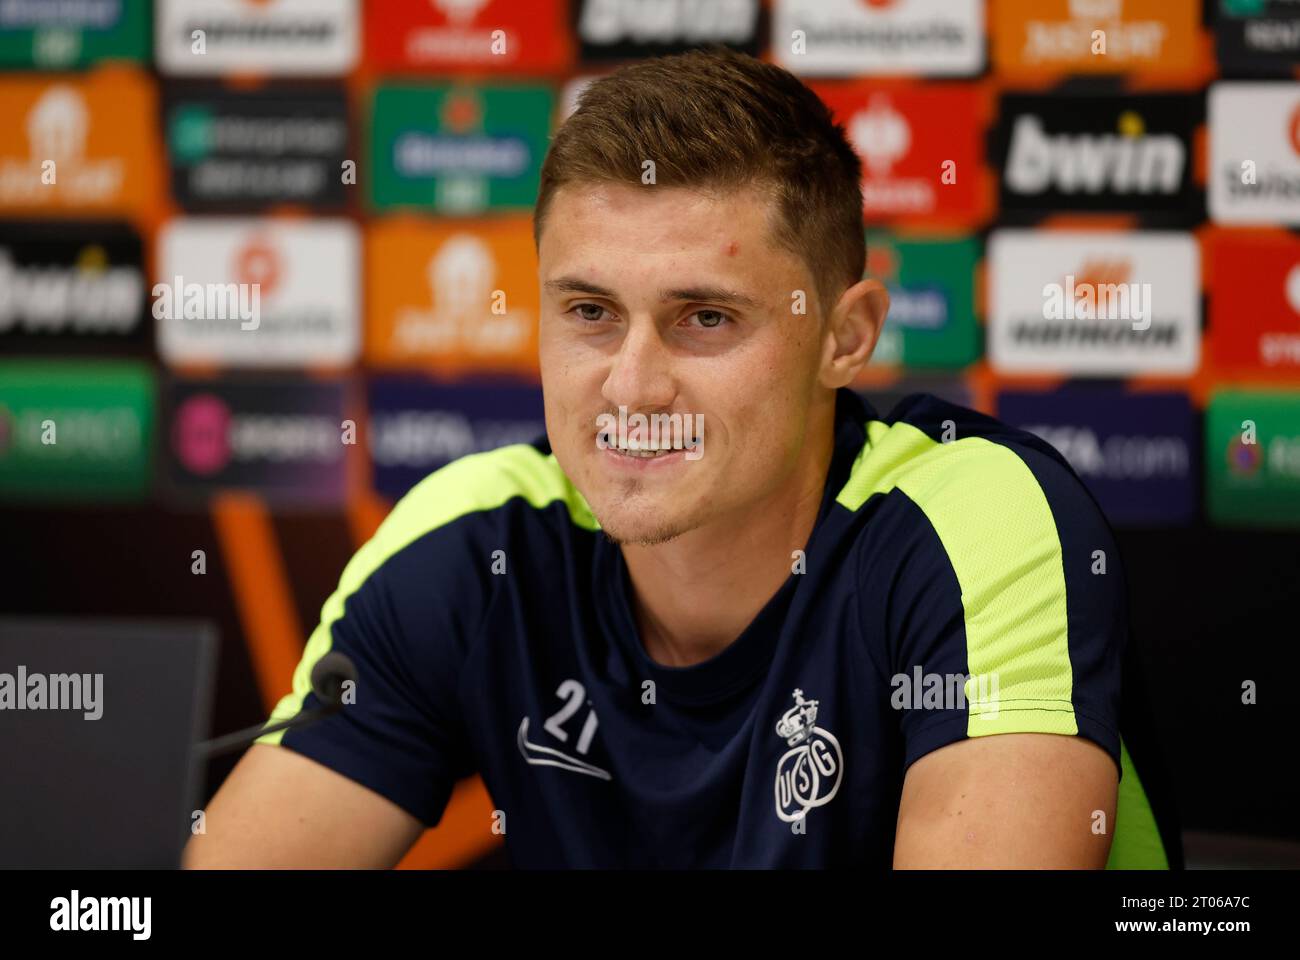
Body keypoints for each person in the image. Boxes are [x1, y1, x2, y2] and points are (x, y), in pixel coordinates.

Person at [184, 47, 1177, 869]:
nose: (630, 385)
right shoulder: (473, 540)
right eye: (588, 313)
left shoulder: (972, 520)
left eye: (704, 318)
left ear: (846, 336)